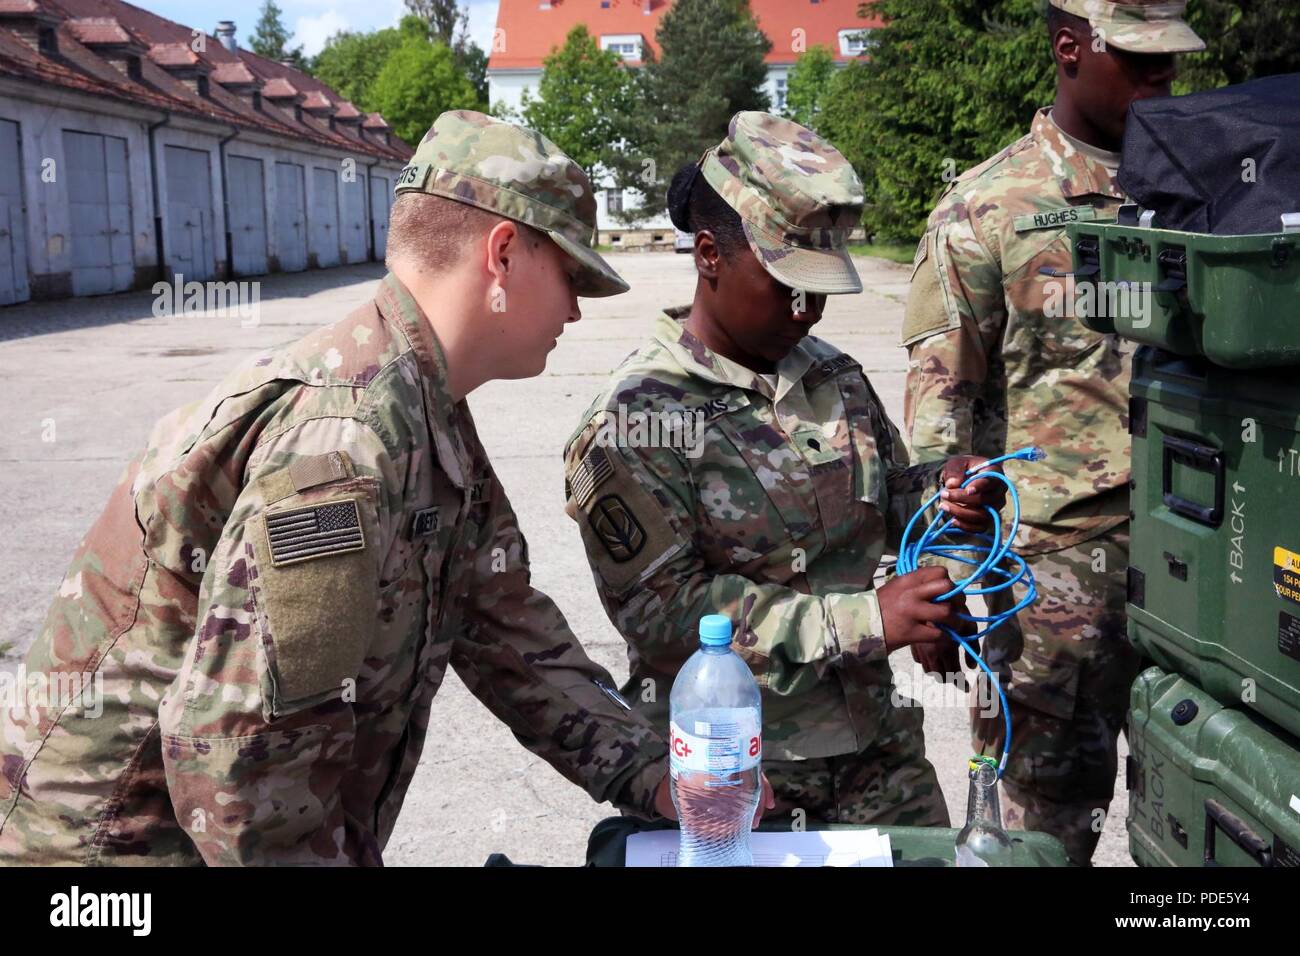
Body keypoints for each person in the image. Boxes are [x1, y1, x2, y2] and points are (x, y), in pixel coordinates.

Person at [0, 110, 749, 866]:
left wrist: (652, 776)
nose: (577, 308)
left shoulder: (424, 408)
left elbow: (505, 625)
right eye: (571, 275)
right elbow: (241, 756)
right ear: (504, 255)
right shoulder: (346, 443)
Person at [563, 111, 1006, 828]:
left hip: (880, 758)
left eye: (822, 285)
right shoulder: (637, 418)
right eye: (787, 283)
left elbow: (889, 498)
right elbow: (665, 615)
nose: (808, 310)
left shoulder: (833, 374)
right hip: (739, 774)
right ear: (709, 253)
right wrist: (870, 620)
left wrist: (946, 493)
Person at [901, 0, 1205, 864]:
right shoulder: (988, 208)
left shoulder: (1210, 187)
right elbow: (940, 407)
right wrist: (947, 560)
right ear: (1070, 49)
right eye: (1140, 61)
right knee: (1039, 836)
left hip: (1200, 566)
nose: (1162, 80)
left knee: (1205, 816)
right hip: (1050, 591)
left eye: (1169, 61)